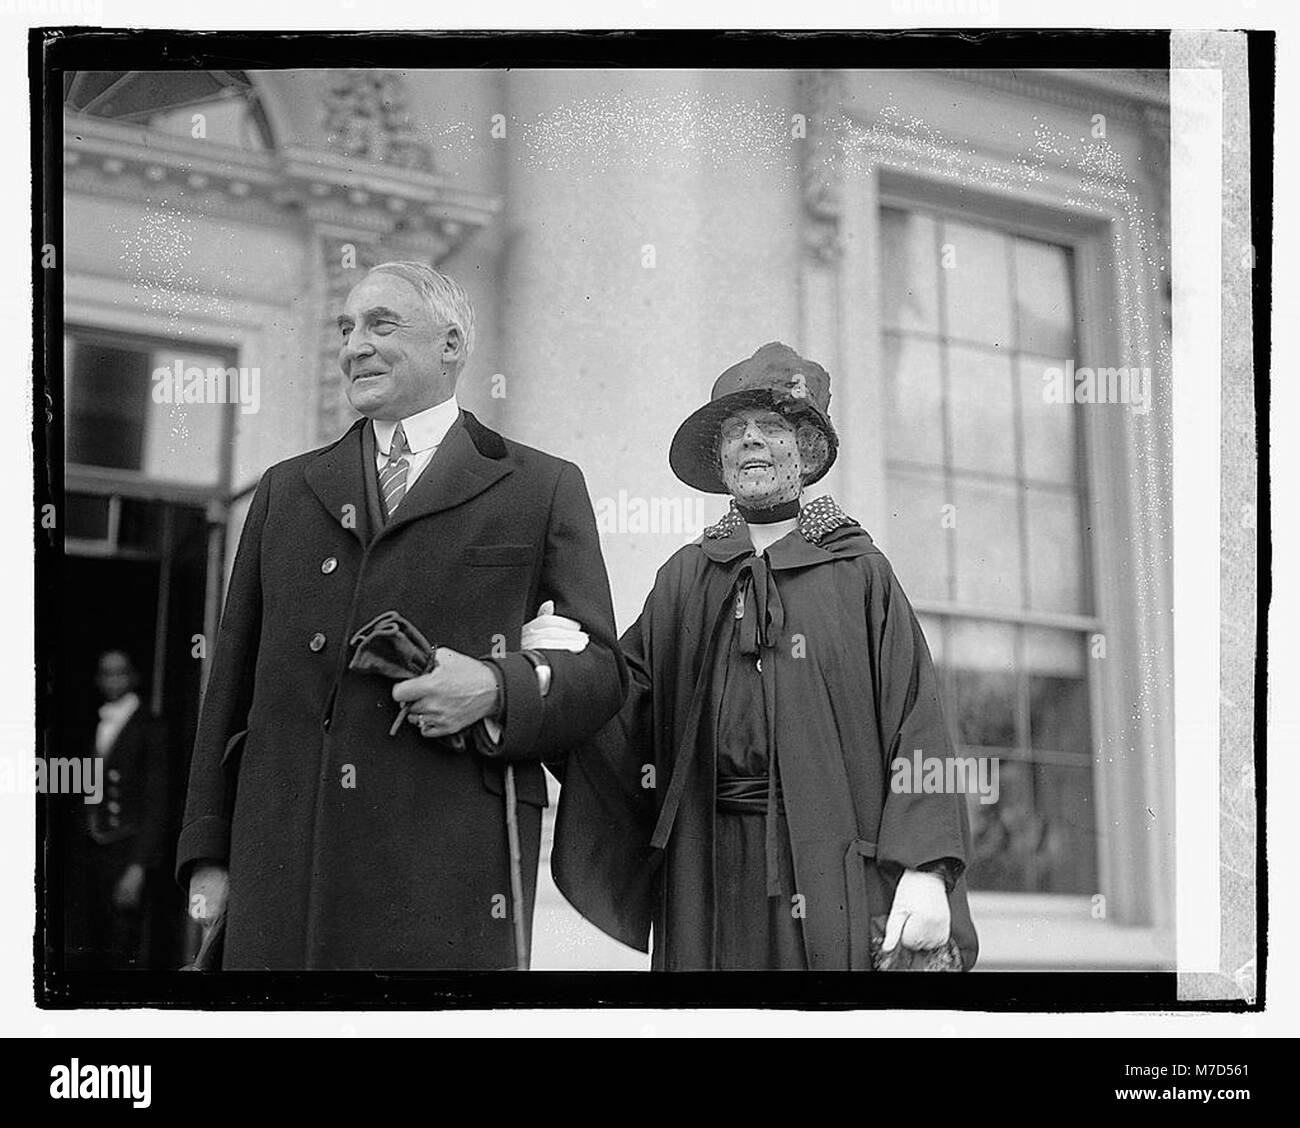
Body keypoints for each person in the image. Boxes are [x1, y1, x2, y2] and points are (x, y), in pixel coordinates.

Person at [176, 262, 626, 970]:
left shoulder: (540, 486)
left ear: (451, 346)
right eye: (347, 328)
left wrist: (496, 685)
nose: (355, 345)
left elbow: (600, 672)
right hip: (286, 857)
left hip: (449, 858)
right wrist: (208, 850)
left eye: (381, 325)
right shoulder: (287, 489)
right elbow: (229, 688)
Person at [552, 343, 979, 970]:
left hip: (828, 861)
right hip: (703, 865)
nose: (751, 441)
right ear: (720, 458)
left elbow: (917, 722)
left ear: (805, 451)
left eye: (772, 428)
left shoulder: (859, 574)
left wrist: (926, 867)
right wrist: (557, 676)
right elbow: (619, 706)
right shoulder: (684, 579)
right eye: (735, 432)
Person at [65, 650, 172, 970]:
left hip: (128, 854)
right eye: (106, 673)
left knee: (124, 950)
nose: (113, 680)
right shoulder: (93, 723)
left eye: (120, 673)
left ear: (134, 676)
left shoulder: (150, 727)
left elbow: (158, 804)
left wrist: (138, 867)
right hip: (93, 853)